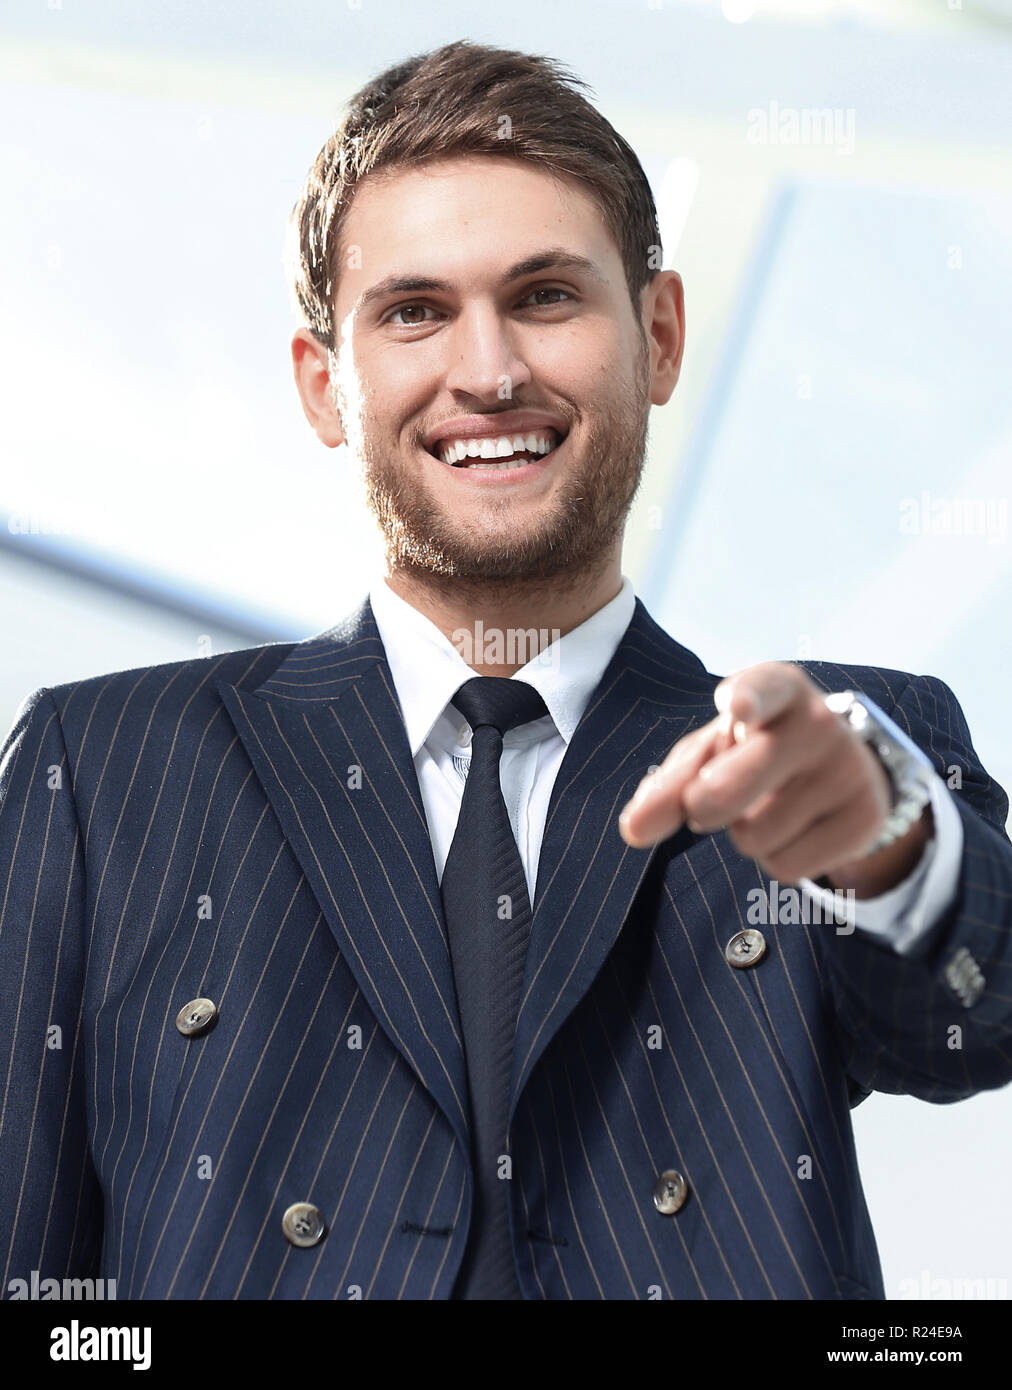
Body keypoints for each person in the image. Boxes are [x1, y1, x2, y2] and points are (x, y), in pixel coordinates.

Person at [1, 40, 1009, 1303]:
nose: (488, 372)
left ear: (659, 335)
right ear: (326, 386)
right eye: (414, 311)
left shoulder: (822, 753)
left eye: (544, 296)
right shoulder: (105, 772)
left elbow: (981, 1014)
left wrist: (891, 845)